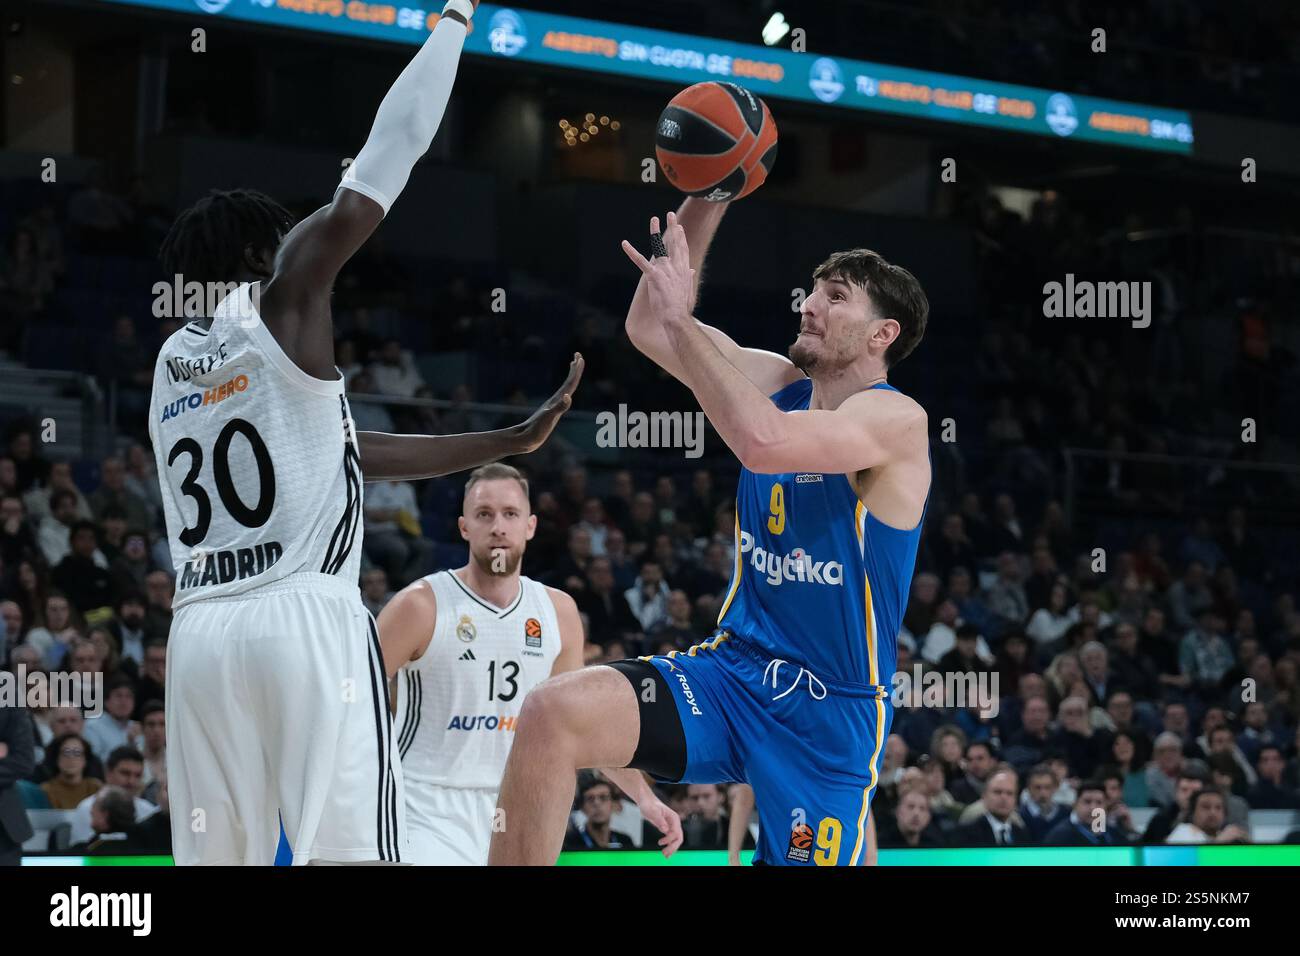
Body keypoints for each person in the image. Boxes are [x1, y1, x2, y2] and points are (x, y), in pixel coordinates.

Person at [147, 0, 582, 866]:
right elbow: (389, 155)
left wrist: (506, 439)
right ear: (255, 258)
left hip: (197, 636)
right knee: (352, 858)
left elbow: (341, 450)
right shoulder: (283, 299)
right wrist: (454, 22)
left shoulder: (168, 366)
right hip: (303, 618)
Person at [491, 198, 931, 865]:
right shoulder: (780, 383)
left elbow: (763, 442)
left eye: (835, 298)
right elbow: (649, 326)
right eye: (811, 291)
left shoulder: (898, 423)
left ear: (882, 335)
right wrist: (709, 195)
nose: (808, 304)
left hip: (824, 718)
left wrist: (680, 316)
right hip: (730, 673)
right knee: (554, 713)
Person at [378, 464, 679, 865]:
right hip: (424, 804)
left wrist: (643, 796)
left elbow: (581, 727)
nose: (498, 526)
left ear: (531, 525)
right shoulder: (420, 604)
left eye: (510, 514)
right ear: (464, 526)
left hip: (518, 807)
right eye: (484, 514)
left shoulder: (558, 612)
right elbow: (354, 698)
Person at [563, 776, 637, 851]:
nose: (597, 803)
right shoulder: (568, 842)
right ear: (582, 807)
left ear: (613, 805)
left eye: (603, 797)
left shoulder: (625, 841)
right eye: (590, 798)